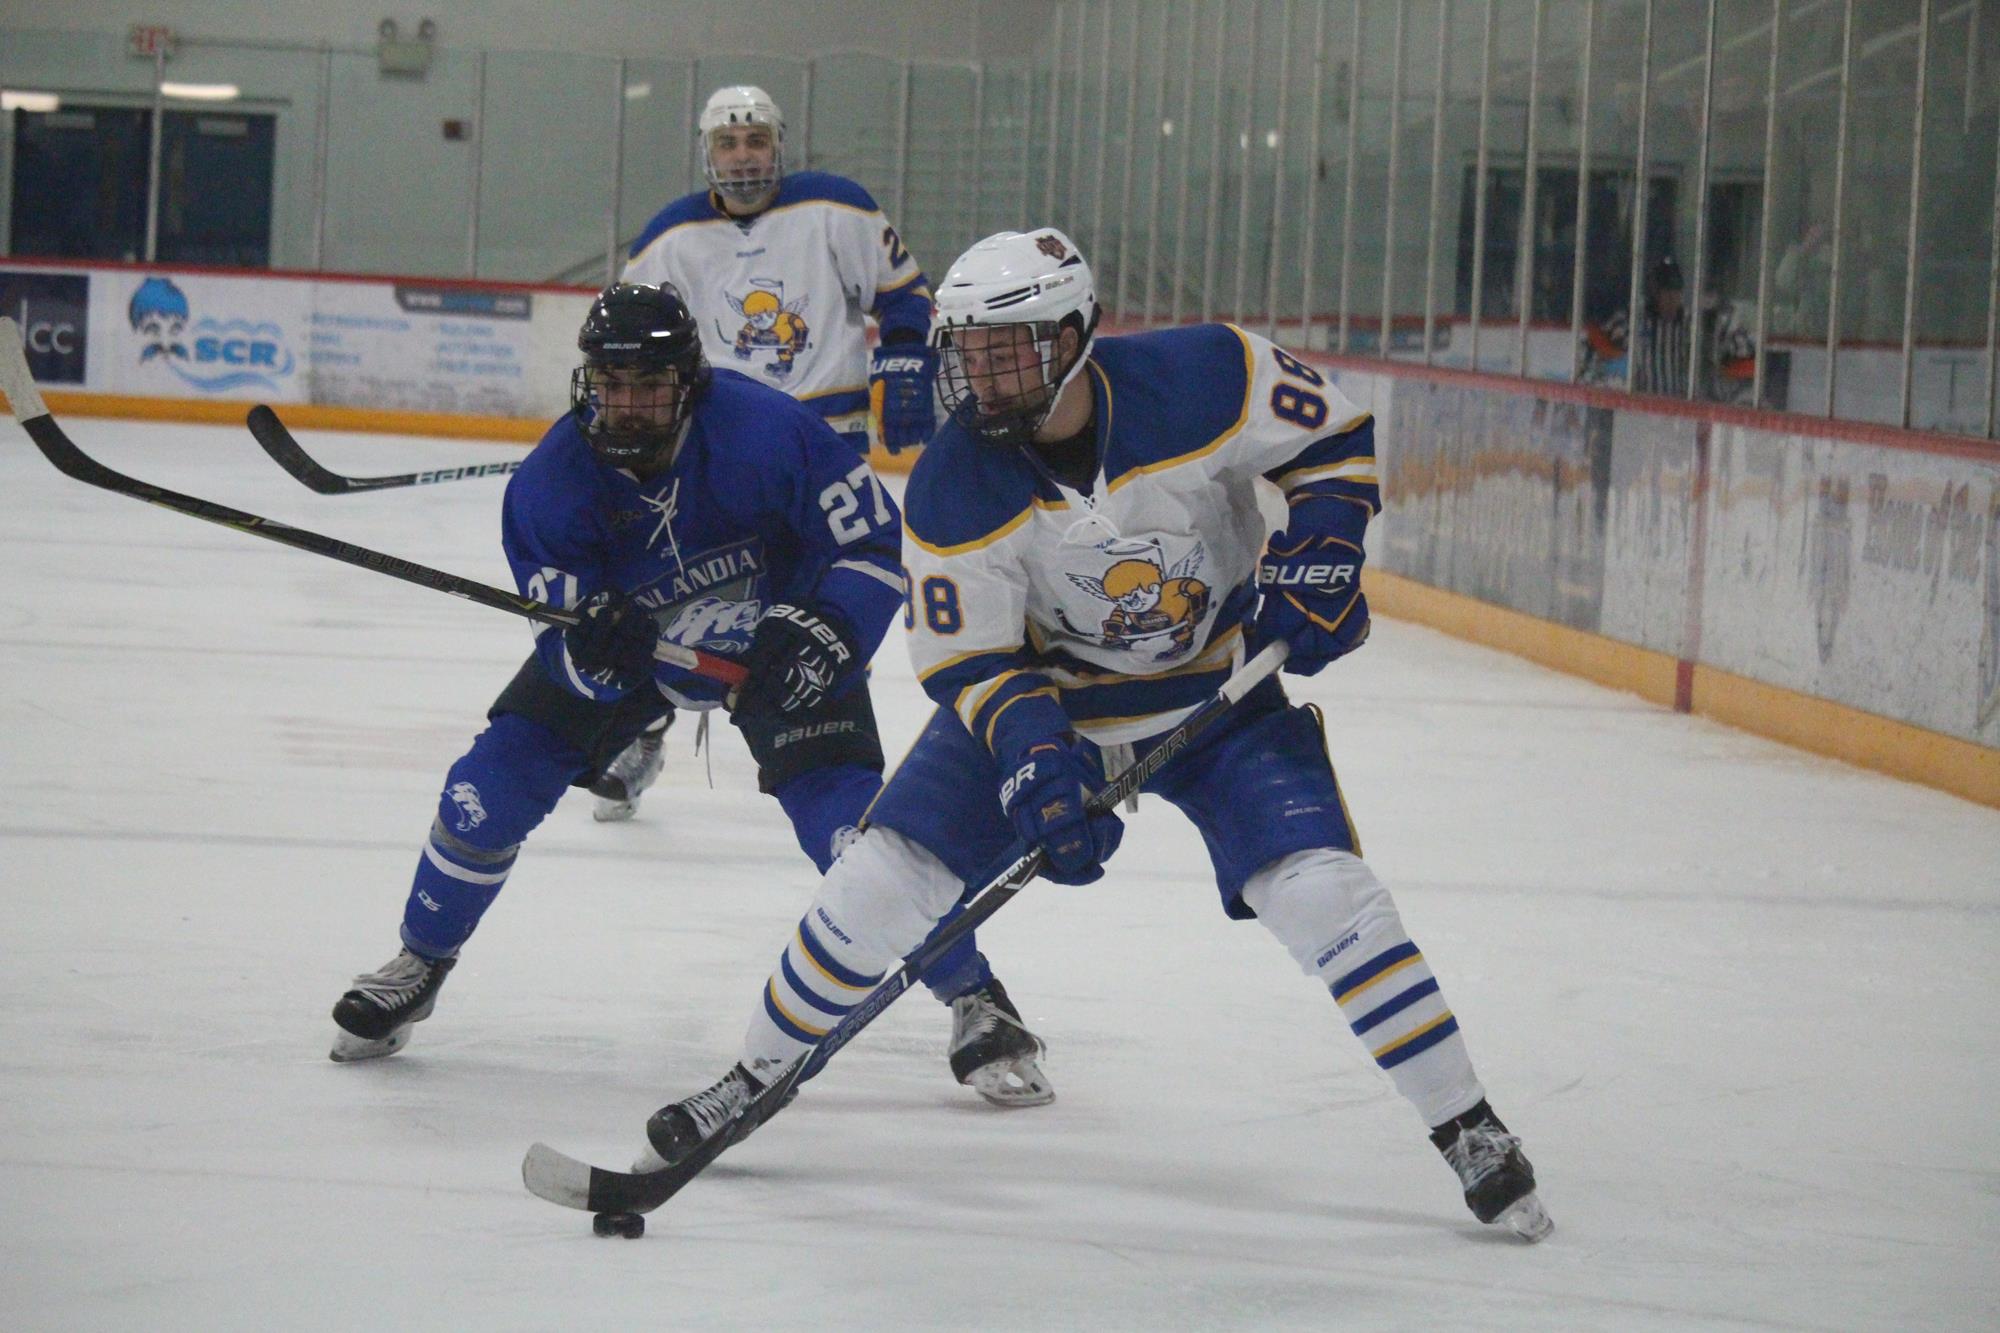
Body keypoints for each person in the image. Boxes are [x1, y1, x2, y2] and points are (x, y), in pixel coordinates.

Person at [639, 231, 1554, 1241]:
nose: (981, 375)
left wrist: (1324, 547)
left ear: (1076, 334)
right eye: (968, 351)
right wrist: (1035, 758)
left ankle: (1465, 1123)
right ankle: (755, 1073)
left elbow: (1327, 443)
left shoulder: (1204, 373)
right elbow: (972, 659)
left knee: (1327, 898)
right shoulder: (951, 484)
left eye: (1008, 348)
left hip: (1220, 694)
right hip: (1056, 704)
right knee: (876, 878)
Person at [326, 282, 1052, 1110]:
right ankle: (419, 961)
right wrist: (593, 649)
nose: (628, 406)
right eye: (611, 385)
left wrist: (829, 629)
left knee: (859, 836)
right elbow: (566, 652)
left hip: (785, 641)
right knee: (484, 789)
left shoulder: (769, 433)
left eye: (649, 386)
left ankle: (977, 998)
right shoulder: (549, 487)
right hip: (641, 653)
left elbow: (875, 543)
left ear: (690, 384)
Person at [602, 85, 941, 825]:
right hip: (719, 456)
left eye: (756, 140)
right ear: (706, 152)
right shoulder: (669, 239)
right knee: (680, 598)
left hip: (826, 452)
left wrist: (908, 354)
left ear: (779, 145)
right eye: (728, 143)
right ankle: (645, 724)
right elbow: (626, 349)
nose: (743, 155)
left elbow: (905, 293)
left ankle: (838, 767)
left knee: (826, 606)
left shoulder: (837, 208)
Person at [1582, 254, 1754, 401]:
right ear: (1655, 293)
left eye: (1676, 292)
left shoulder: (1695, 323)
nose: (1672, 299)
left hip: (1687, 410)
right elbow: (1595, 347)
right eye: (1666, 293)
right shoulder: (1633, 320)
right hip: (1646, 410)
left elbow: (1744, 354)